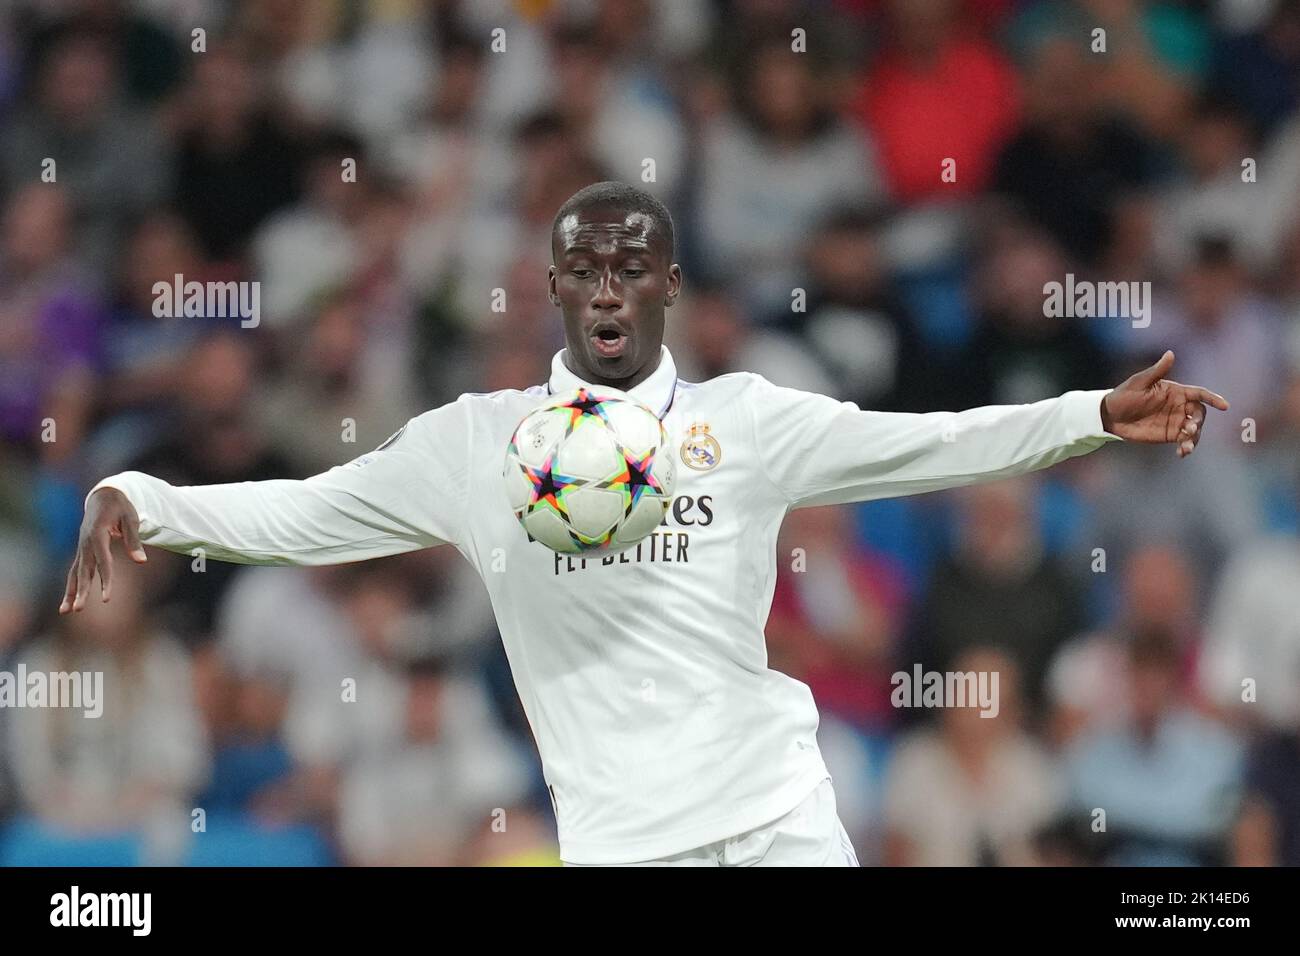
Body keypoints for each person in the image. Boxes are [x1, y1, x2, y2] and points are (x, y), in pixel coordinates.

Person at [59, 181, 1228, 867]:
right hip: (624, 838)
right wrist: (145, 498)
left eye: (633, 262)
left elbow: (933, 440)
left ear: (669, 285)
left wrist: (1087, 412)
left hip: (778, 813)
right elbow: (310, 512)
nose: (607, 281)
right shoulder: (479, 441)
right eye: (582, 264)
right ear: (555, 287)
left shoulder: (749, 419)